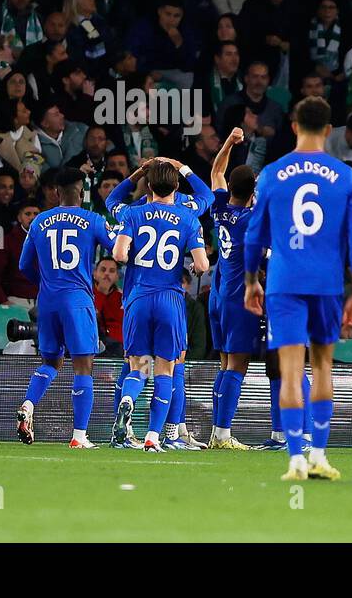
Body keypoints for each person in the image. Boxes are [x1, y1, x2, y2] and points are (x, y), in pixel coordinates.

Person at [243, 96, 352, 481]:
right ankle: (319, 455)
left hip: (284, 283)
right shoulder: (345, 176)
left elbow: (253, 235)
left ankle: (294, 458)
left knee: (292, 371)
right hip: (327, 284)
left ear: (294, 126)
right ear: (330, 131)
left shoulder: (271, 174)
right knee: (324, 365)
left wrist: (251, 282)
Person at [110, 160, 210, 452]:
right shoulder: (188, 217)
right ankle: (154, 437)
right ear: (177, 187)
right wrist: (193, 265)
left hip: (139, 297)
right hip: (170, 298)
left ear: (149, 186)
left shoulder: (133, 213)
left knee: (137, 367)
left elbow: (119, 255)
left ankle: (128, 401)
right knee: (166, 370)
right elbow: (202, 263)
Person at [15, 168, 116, 448]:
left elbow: (24, 266)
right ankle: (79, 436)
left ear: (56, 193)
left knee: (50, 362)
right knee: (83, 367)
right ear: (82, 193)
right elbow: (116, 250)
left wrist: (46, 282)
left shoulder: (39, 222)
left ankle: (28, 403)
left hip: (47, 301)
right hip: (77, 300)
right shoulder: (92, 219)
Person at [207, 128, 259, 449]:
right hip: (241, 296)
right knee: (237, 365)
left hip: (219, 292)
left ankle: (217, 433)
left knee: (225, 364)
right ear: (253, 191)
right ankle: (223, 435)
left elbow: (216, 170)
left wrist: (228, 142)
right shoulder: (252, 219)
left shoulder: (219, 207)